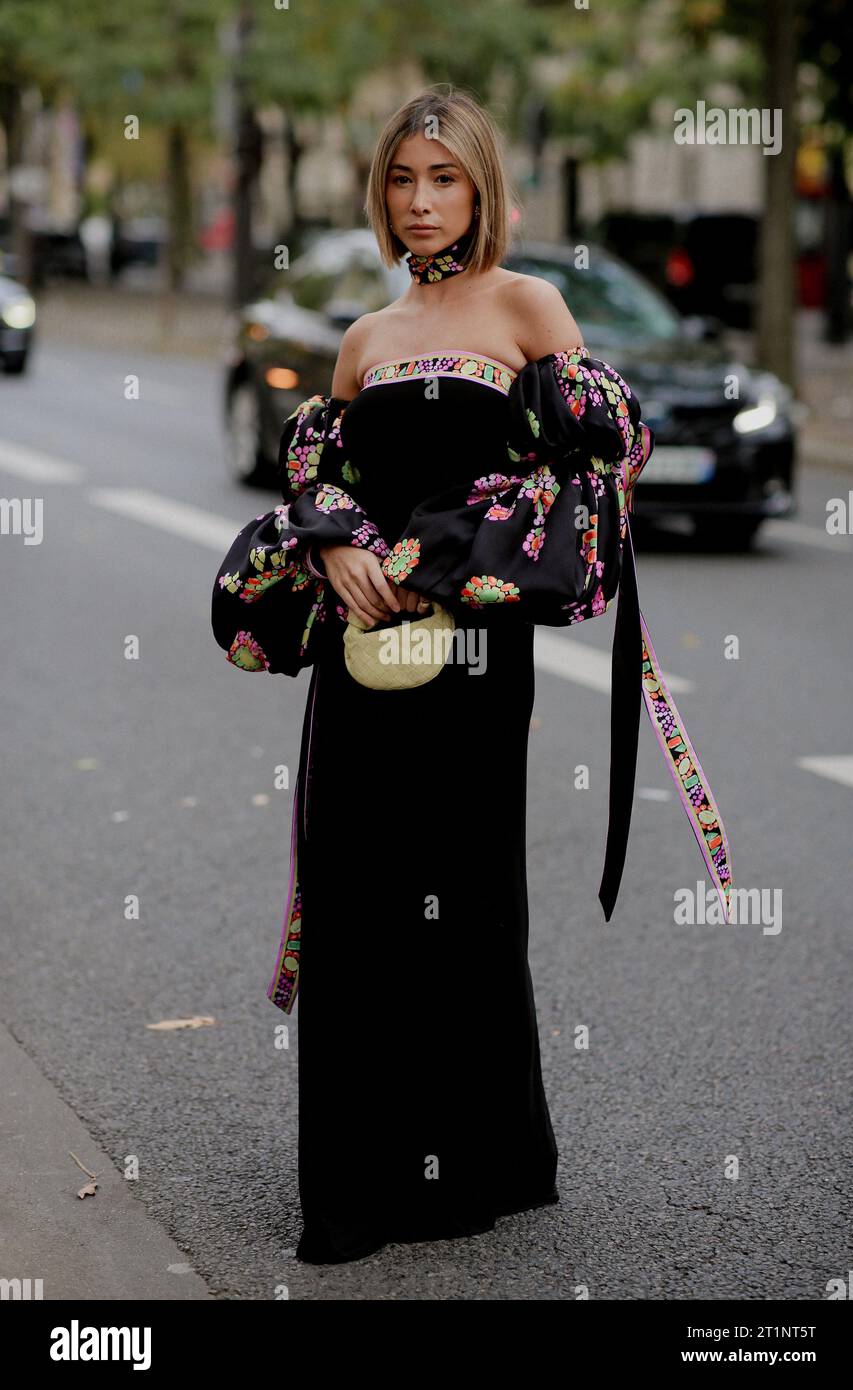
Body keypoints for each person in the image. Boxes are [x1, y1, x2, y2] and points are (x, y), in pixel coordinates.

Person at [211, 85, 732, 1265]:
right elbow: (315, 482)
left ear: (480, 185)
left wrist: (461, 554)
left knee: (458, 898)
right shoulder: (363, 337)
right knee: (354, 901)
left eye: (441, 177)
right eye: (401, 179)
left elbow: (603, 473)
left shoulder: (528, 306)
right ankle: (350, 1188)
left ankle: (471, 1166)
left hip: (475, 662)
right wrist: (337, 537)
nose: (421, 200)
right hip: (358, 659)